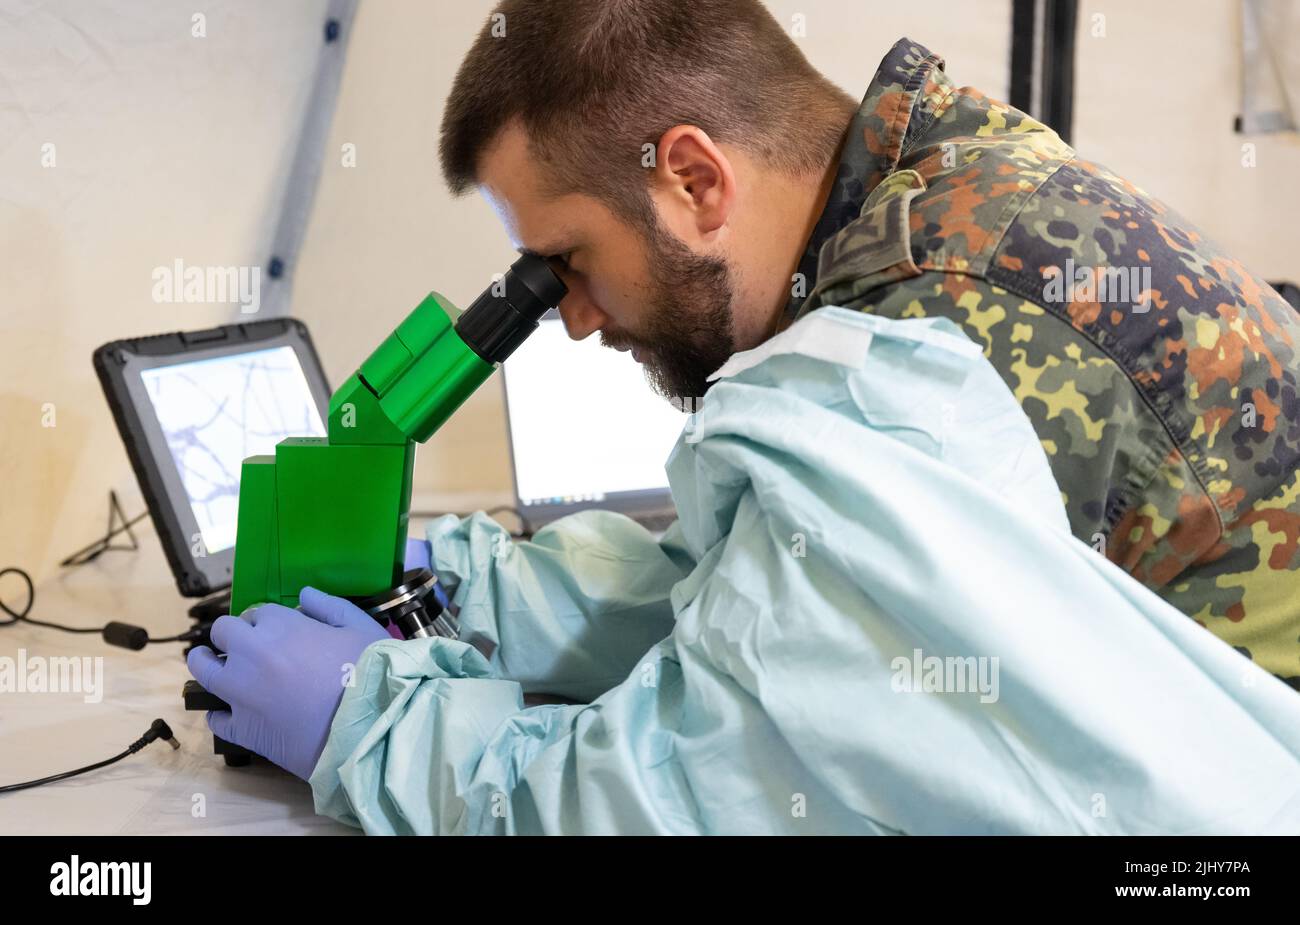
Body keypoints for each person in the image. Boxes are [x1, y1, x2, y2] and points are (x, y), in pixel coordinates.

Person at [188, 0, 1300, 834]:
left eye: (564, 261)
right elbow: (758, 579)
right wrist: (468, 591)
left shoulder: (936, 334)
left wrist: (366, 730)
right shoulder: (945, 187)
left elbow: (684, 792)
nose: (571, 319)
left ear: (693, 179)